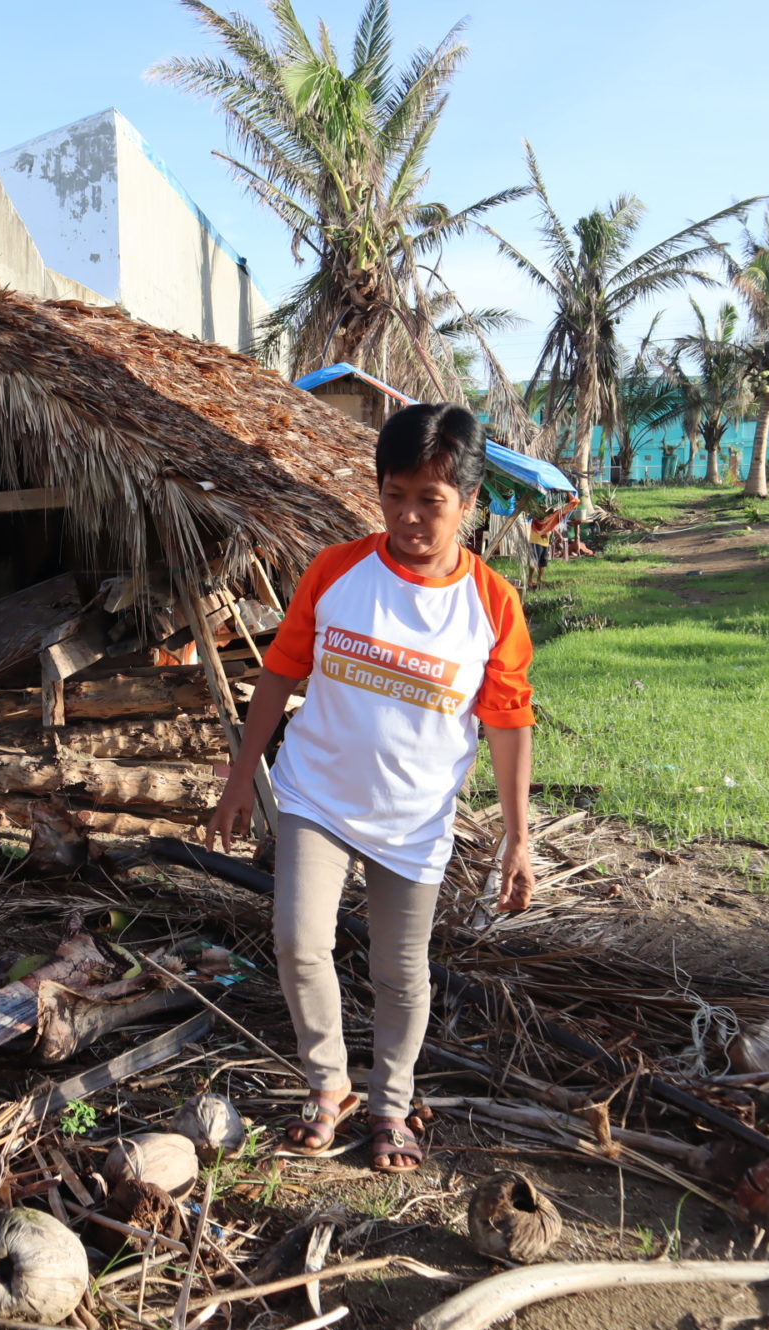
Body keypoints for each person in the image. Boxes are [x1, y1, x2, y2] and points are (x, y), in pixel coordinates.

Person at [205, 402, 537, 1173]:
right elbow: (280, 672)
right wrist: (241, 776)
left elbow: (509, 723)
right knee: (297, 941)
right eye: (394, 494)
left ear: (469, 501)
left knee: (400, 970)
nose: (410, 515)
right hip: (317, 796)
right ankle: (328, 1084)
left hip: (415, 820)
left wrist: (519, 838)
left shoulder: (492, 604)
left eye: (432, 499)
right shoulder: (336, 571)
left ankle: (391, 1102)